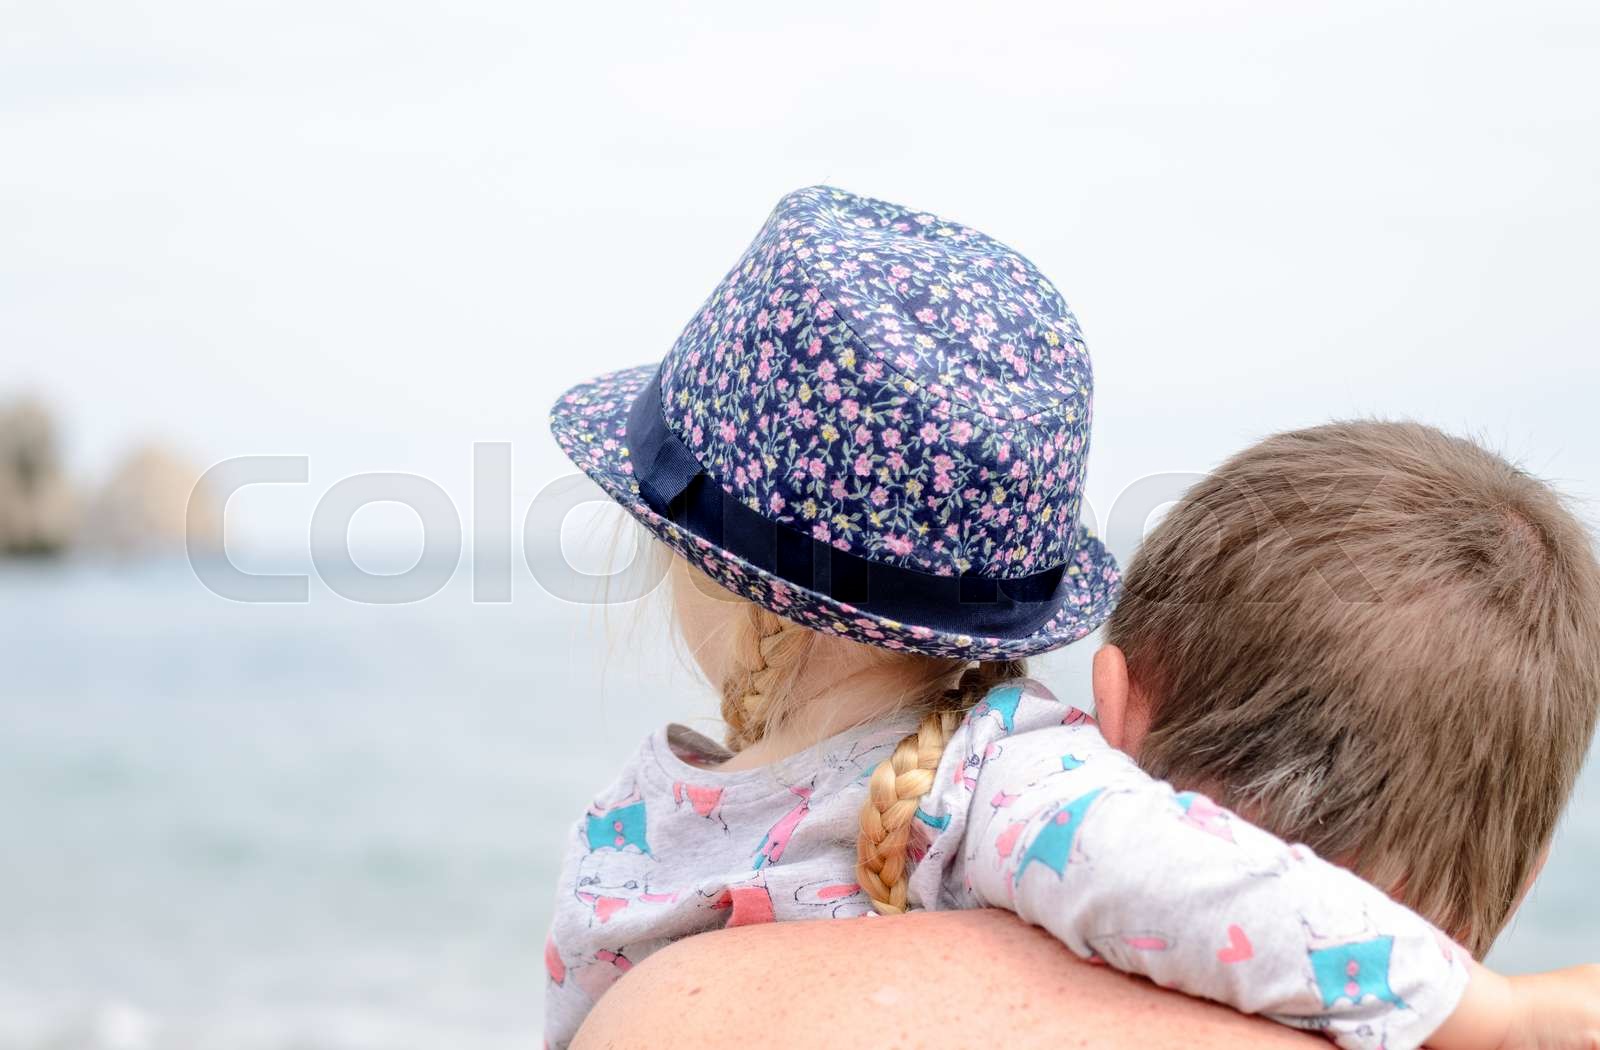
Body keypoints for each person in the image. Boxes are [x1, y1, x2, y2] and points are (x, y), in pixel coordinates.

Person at [543, 185, 1600, 1050]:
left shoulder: (1009, 778)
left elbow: (1209, 887)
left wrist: (1501, 1018)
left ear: (707, 570)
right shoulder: (944, 785)